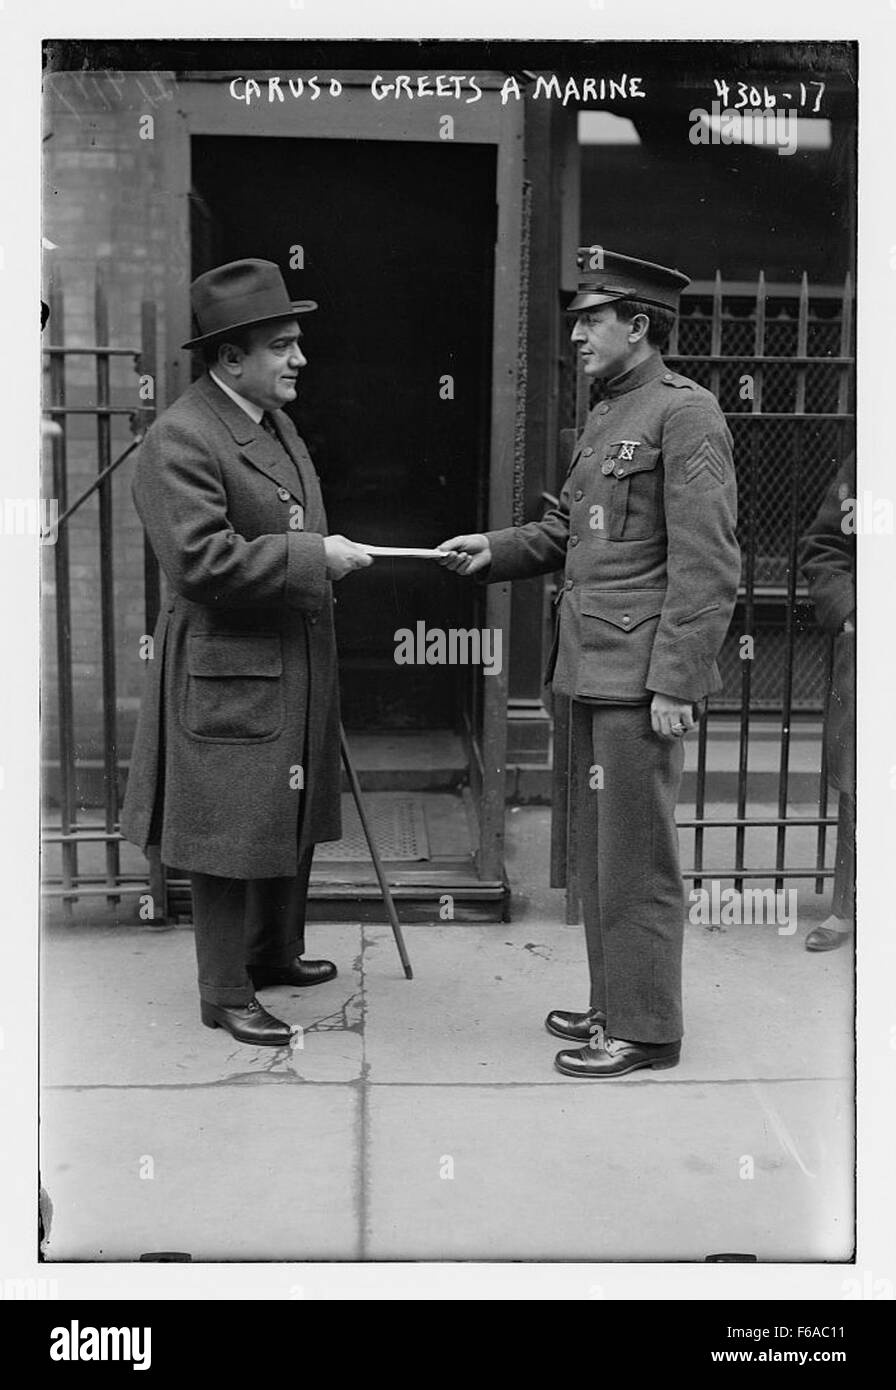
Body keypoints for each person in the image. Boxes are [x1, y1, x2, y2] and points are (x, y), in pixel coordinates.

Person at [439, 249, 741, 1077]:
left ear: (639, 328)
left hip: (641, 679)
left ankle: (646, 1030)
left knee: (637, 860)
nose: (575, 335)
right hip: (588, 670)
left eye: (591, 320)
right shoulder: (610, 414)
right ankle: (614, 1002)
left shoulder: (687, 415)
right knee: (602, 857)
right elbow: (569, 534)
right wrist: (493, 550)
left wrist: (678, 680)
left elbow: (708, 563)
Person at [120, 259, 372, 1046]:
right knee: (225, 831)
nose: (299, 359)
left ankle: (272, 953)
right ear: (231, 358)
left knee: (281, 812)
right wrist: (312, 558)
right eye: (281, 345)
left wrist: (313, 557)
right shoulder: (181, 437)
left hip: (285, 656)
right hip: (229, 666)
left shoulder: (271, 422)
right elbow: (199, 561)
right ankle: (224, 992)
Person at [799, 454, 856, 951]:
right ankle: (846, 908)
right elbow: (824, 546)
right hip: (880, 643)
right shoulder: (877, 458)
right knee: (859, 777)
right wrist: (850, 613)